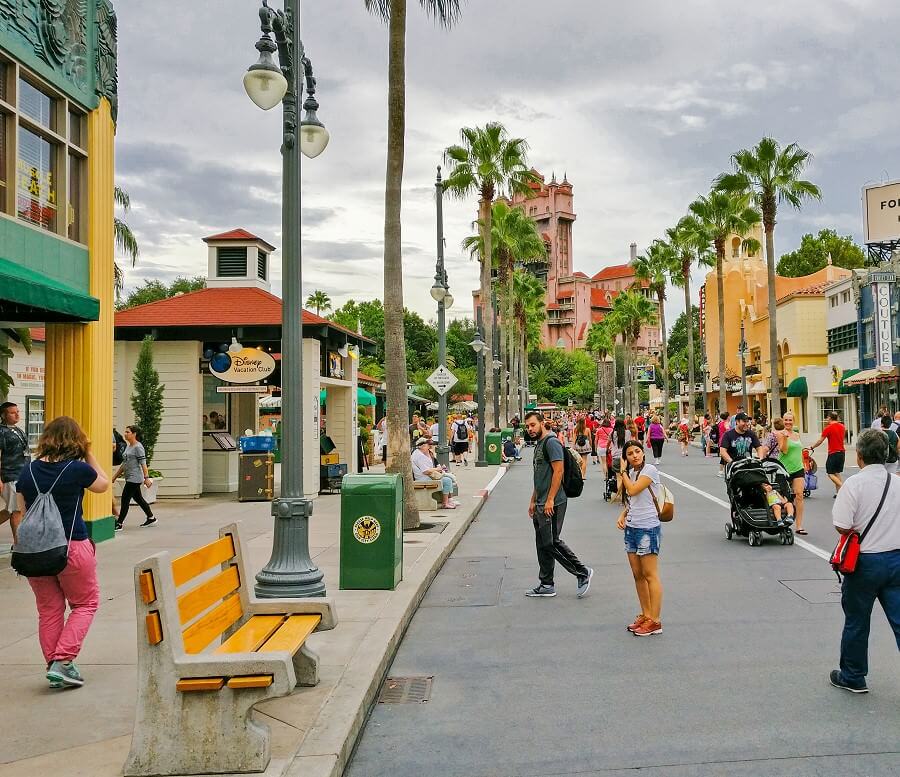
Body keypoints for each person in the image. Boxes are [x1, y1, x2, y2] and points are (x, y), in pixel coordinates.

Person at [16, 416, 109, 688]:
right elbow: (103, 484)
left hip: (36, 551)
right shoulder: (77, 469)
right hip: (72, 546)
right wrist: (88, 452)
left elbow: (22, 510)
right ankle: (63, 661)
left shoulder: (27, 471)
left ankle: (53, 665)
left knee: (49, 610)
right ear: (76, 441)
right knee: (85, 604)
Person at [829, 429, 900, 694]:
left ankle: (853, 676)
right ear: (886, 454)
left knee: (857, 621)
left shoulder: (853, 485)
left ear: (859, 455)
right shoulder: (897, 483)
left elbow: (842, 524)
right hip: (896, 559)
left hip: (864, 562)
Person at [523, 411, 592, 599]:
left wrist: (550, 499)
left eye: (532, 425)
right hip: (541, 502)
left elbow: (558, 471)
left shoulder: (551, 443)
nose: (530, 429)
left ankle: (582, 571)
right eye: (527, 426)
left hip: (553, 502)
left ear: (542, 423)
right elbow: (540, 476)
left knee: (551, 541)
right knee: (542, 544)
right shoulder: (539, 444)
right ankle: (546, 584)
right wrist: (533, 500)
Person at [617, 440, 664, 636]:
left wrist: (623, 472)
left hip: (648, 527)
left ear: (643, 453)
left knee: (650, 574)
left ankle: (655, 621)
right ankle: (646, 615)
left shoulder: (649, 470)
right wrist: (623, 514)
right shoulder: (632, 473)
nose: (634, 455)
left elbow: (633, 490)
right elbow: (633, 499)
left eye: (637, 451)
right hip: (632, 527)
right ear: (626, 457)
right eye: (630, 453)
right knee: (638, 575)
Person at [112, 426, 155, 530]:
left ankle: (119, 523)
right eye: (125, 432)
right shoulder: (129, 446)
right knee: (139, 499)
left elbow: (143, 463)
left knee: (125, 499)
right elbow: (124, 464)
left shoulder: (138, 447)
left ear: (134, 434)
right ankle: (151, 517)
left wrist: (146, 478)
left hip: (135, 478)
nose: (125, 434)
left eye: (128, 432)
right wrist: (114, 477)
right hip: (129, 477)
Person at [0, 401, 30, 542]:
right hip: (10, 475)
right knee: (16, 510)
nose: (17, 415)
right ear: (3, 415)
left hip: (22, 475)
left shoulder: (18, 430)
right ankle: (18, 544)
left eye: (17, 412)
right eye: (13, 413)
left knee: (11, 510)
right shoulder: (1, 432)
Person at [777, 412, 807, 535]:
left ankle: (799, 526)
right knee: (784, 498)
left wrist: (804, 464)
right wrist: (785, 438)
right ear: (783, 421)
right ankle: (782, 520)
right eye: (786, 420)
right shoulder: (780, 434)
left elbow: (800, 450)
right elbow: (784, 450)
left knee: (799, 495)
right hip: (783, 469)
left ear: (794, 421)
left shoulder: (797, 434)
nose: (788, 422)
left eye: (790, 420)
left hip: (798, 468)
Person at [411, 437, 458, 509]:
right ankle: (445, 503)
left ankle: (449, 500)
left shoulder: (418, 453)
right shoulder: (420, 456)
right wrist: (438, 469)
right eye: (428, 445)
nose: (429, 447)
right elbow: (426, 471)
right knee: (447, 480)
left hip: (424, 477)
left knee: (448, 478)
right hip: (423, 478)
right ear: (421, 446)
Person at [809, 411, 846, 495]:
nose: (826, 419)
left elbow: (820, 441)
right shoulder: (842, 427)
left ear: (829, 418)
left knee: (830, 473)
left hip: (833, 453)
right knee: (836, 472)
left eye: (827, 418)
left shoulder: (828, 428)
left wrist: (812, 447)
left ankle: (843, 487)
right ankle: (839, 492)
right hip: (842, 453)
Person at [715, 411, 730, 477]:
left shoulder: (720, 423)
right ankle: (725, 471)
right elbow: (728, 430)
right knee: (727, 455)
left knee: (723, 456)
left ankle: (721, 471)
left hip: (721, 440)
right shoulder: (726, 423)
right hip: (726, 440)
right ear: (727, 417)